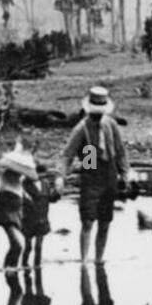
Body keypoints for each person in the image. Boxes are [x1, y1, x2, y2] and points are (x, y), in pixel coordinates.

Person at [63, 85, 129, 263]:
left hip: (109, 173)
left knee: (105, 221)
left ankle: (99, 260)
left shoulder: (111, 125)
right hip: (90, 171)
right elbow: (67, 154)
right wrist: (60, 177)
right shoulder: (81, 128)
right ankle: (84, 261)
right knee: (87, 220)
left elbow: (120, 151)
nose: (97, 116)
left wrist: (124, 174)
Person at [0, 145, 38, 273]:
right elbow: (1, 189)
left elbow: (19, 187)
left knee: (18, 245)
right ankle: (9, 269)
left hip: (16, 208)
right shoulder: (5, 175)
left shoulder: (19, 176)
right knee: (18, 244)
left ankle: (11, 268)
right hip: (5, 208)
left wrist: (26, 196)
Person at [20, 157, 58, 267]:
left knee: (39, 246)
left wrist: (57, 193)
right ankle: (24, 265)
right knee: (28, 246)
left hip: (42, 219)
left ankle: (37, 266)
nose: (41, 178)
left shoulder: (45, 184)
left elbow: (51, 199)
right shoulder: (24, 185)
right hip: (28, 220)